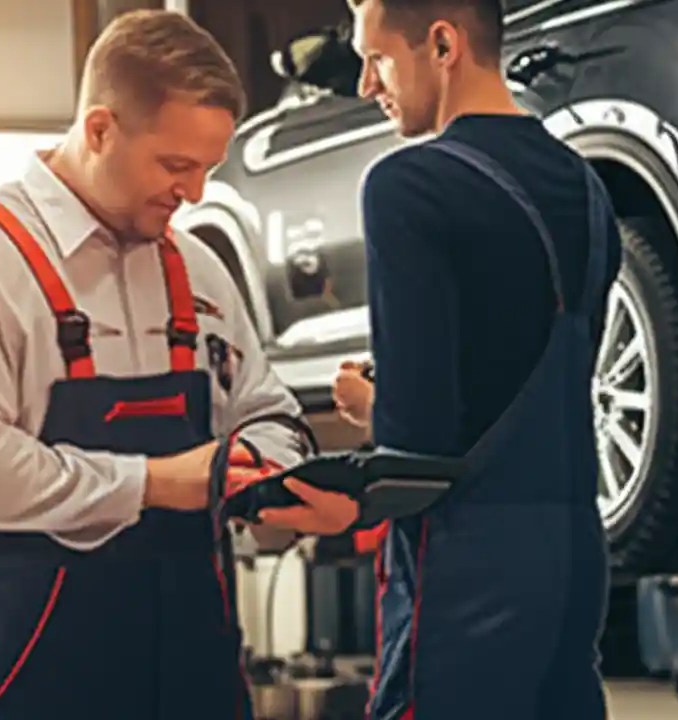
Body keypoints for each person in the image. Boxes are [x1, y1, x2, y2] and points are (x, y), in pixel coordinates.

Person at [0, 10, 308, 719]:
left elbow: (266, 410)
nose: (195, 193)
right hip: (30, 665)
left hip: (190, 664)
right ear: (101, 129)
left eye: (207, 168)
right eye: (176, 165)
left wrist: (268, 477)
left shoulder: (198, 270)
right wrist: (148, 484)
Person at [252, 0, 623, 717]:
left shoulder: (408, 186)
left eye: (378, 58)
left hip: (464, 566)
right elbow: (528, 362)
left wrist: (370, 412)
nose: (365, 85)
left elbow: (416, 438)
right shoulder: (588, 186)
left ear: (444, 44)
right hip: (575, 555)